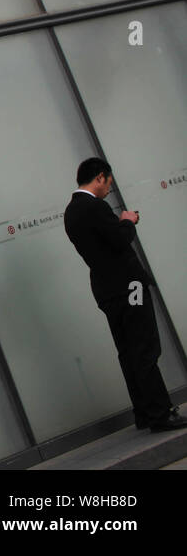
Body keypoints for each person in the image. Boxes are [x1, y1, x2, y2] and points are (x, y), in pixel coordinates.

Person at [63, 157, 186, 432]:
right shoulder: (95, 207)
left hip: (106, 289)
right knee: (144, 348)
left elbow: (101, 245)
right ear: (100, 177)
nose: (109, 188)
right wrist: (128, 222)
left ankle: (144, 412)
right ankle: (160, 413)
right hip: (128, 286)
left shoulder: (71, 212)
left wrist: (116, 225)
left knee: (128, 353)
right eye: (108, 182)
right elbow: (118, 241)